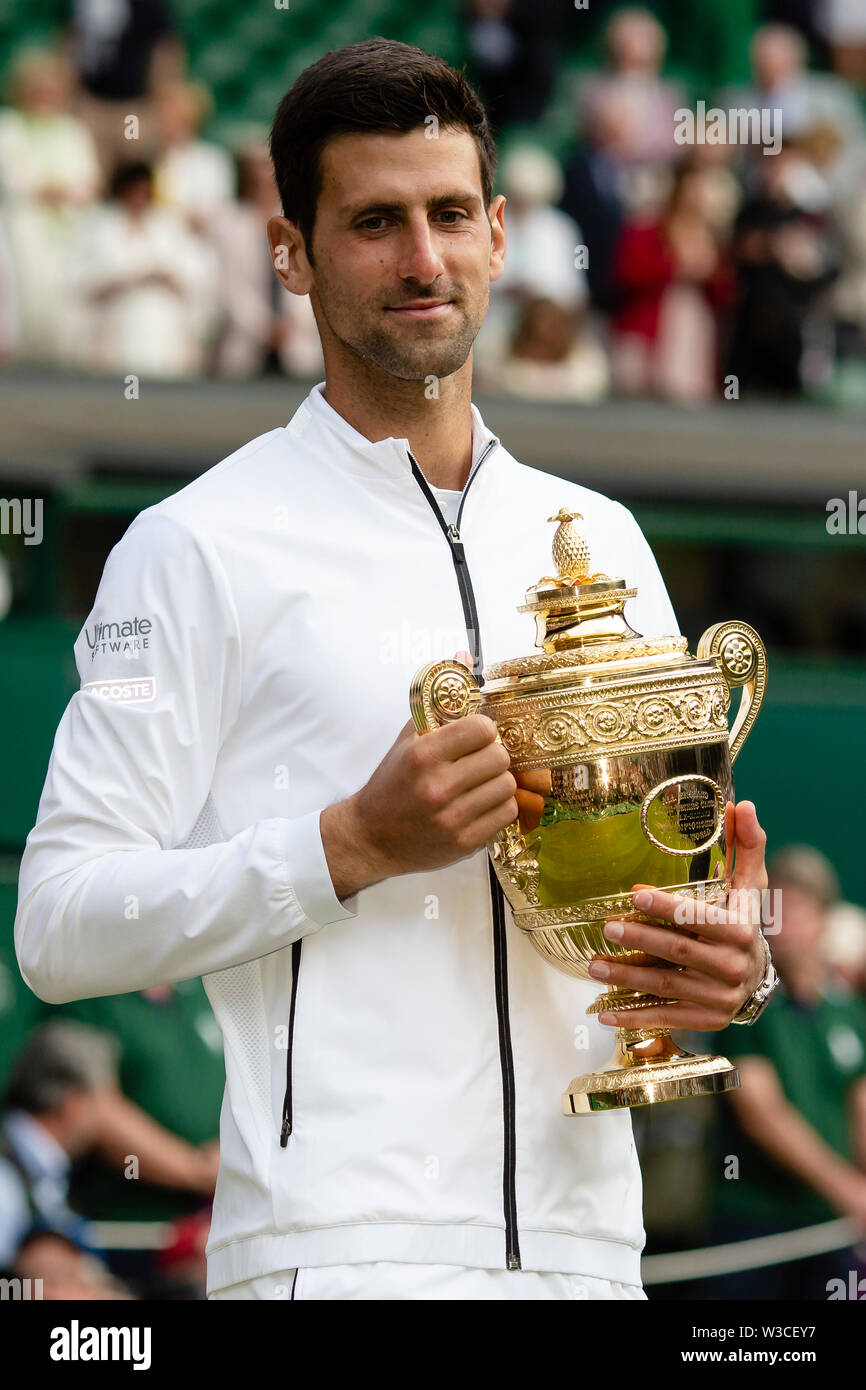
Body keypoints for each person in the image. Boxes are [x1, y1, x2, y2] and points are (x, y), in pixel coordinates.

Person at [15, 39, 772, 1303]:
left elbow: (661, 894)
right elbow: (57, 920)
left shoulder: (605, 539)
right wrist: (349, 843)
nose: (421, 258)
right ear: (290, 255)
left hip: (594, 1256)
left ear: (495, 233)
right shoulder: (194, 545)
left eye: (447, 214)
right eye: (373, 222)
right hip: (339, 1256)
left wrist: (727, 960)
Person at [705, 845, 866, 1300]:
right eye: (776, 908)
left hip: (829, 1228)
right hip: (753, 1225)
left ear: (824, 919)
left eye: (800, 909)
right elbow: (763, 1116)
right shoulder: (743, 1010)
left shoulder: (848, 1013)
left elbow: (861, 1105)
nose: (785, 923)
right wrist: (848, 1190)